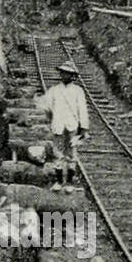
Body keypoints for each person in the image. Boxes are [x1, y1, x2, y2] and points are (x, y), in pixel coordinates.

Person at [36, 61, 89, 192]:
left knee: (71, 153)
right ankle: (59, 181)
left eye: (68, 73)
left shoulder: (78, 91)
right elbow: (45, 106)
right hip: (58, 125)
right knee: (58, 154)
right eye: (63, 73)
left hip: (72, 125)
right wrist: (51, 118)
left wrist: (84, 127)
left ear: (72, 76)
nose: (65, 75)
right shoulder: (54, 90)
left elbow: (82, 109)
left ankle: (70, 182)